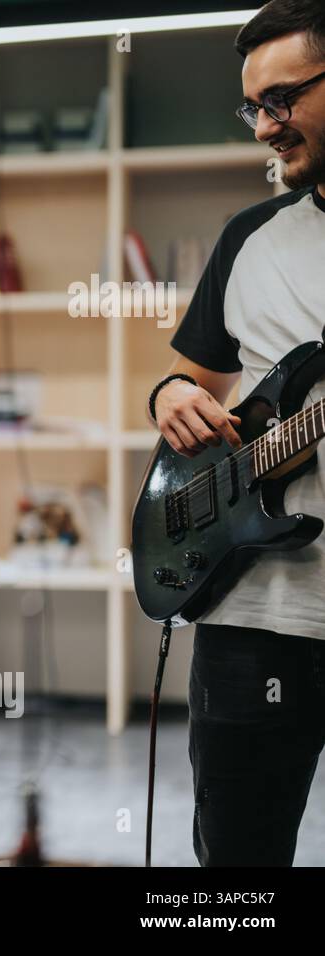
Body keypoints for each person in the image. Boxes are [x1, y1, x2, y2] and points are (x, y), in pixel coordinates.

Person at [150, 0, 325, 865]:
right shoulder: (250, 236)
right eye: (253, 107)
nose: (265, 128)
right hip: (255, 613)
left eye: (283, 100)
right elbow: (196, 384)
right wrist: (168, 394)